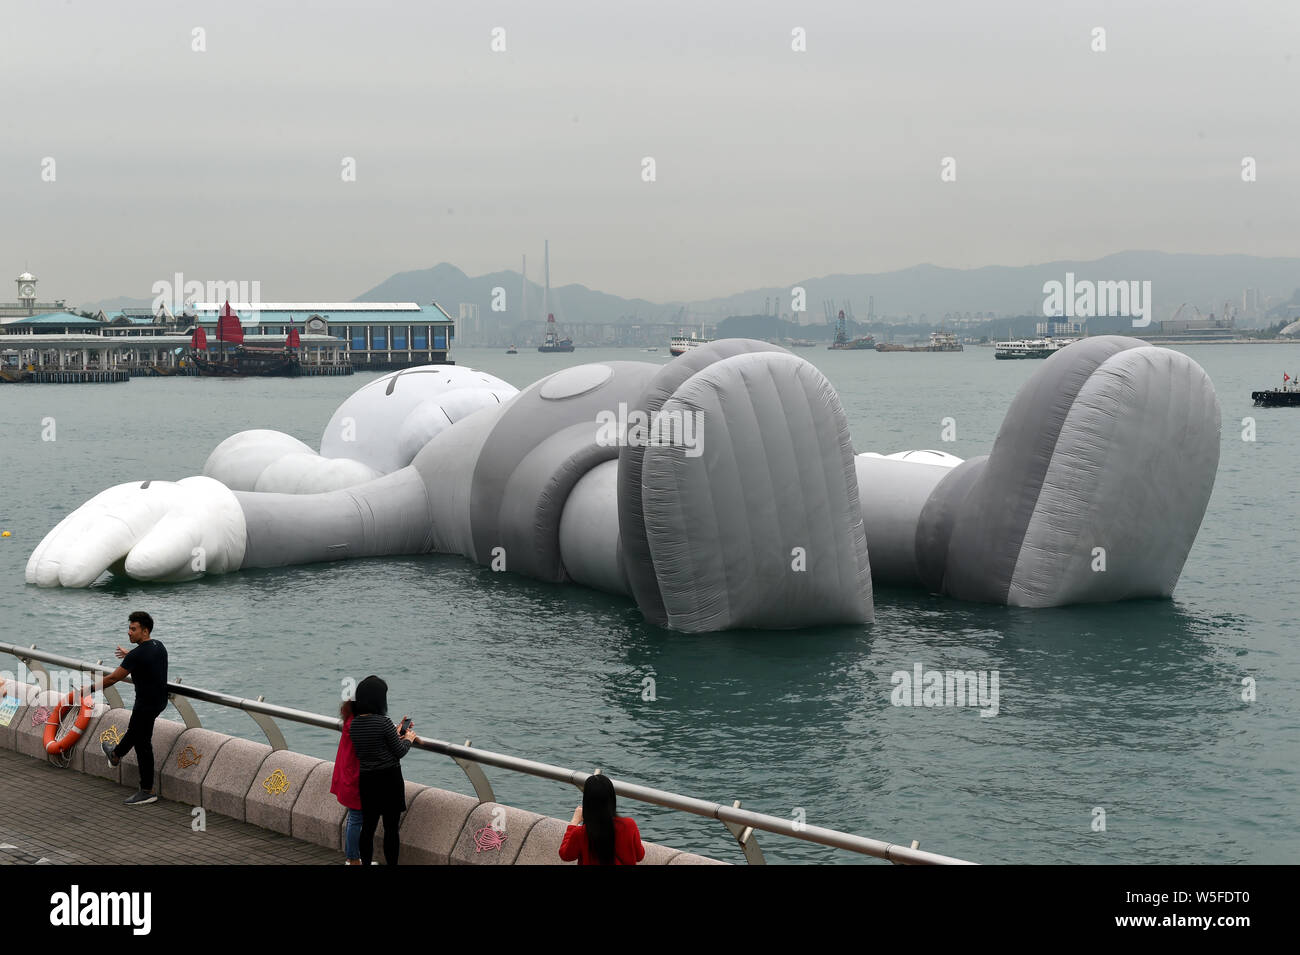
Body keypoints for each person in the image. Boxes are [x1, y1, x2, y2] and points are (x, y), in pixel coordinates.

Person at [84, 611, 168, 806]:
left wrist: (87, 689)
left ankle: (146, 789)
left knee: (141, 742)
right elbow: (147, 659)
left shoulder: (137, 655)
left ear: (145, 631)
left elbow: (113, 678)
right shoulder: (159, 646)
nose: (129, 632)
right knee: (138, 736)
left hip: (145, 705)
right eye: (129, 628)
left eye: (133, 629)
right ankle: (116, 755)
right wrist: (130, 655)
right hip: (159, 702)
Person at [348, 675, 418, 866]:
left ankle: (366, 862)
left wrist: (396, 732)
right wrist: (408, 738)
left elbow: (375, 745)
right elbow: (399, 751)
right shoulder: (383, 722)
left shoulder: (354, 725)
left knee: (368, 827)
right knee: (390, 829)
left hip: (368, 780)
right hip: (389, 780)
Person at [558, 773, 645, 865]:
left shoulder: (580, 833)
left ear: (587, 801)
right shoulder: (628, 825)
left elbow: (565, 855)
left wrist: (574, 822)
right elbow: (640, 855)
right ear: (612, 798)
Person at [330, 697, 364, 865]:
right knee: (356, 818)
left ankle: (353, 858)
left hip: (347, 776)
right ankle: (353, 859)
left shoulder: (350, 721)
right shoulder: (356, 725)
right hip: (354, 778)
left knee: (354, 817)